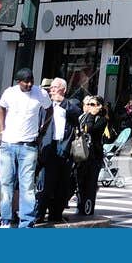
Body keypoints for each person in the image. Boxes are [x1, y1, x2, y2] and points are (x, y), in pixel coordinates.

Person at [0, 67, 51, 228]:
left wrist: (42, 131)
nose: (29, 84)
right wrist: (1, 131)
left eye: (31, 81)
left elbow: (50, 110)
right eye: (25, 81)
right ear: (18, 81)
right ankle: (5, 219)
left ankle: (26, 222)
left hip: (29, 145)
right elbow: (1, 108)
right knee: (6, 183)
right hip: (8, 143)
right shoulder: (9, 93)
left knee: (27, 185)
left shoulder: (40, 93)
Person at [39, 78, 81, 225]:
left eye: (56, 87)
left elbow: (77, 113)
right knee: (45, 183)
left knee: (62, 183)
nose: (52, 90)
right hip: (48, 146)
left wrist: (62, 101)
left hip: (64, 147)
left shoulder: (69, 104)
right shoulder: (45, 104)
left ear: (63, 89)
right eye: (51, 87)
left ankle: (56, 214)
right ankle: (39, 213)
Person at [74, 96, 114, 217]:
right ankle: (80, 206)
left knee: (90, 184)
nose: (89, 106)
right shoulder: (83, 117)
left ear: (99, 106)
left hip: (94, 156)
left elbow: (90, 130)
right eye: (88, 104)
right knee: (80, 182)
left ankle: (87, 210)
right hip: (81, 154)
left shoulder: (102, 119)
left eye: (92, 104)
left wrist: (91, 115)